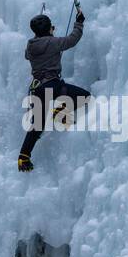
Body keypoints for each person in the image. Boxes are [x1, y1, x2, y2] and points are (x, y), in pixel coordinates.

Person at [18, 10, 89, 171]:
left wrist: (39, 37)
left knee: (37, 125)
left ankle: (23, 158)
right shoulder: (53, 42)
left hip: (38, 89)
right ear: (49, 29)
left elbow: (27, 56)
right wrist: (79, 23)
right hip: (53, 85)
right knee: (85, 97)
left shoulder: (30, 46)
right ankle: (59, 112)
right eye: (52, 27)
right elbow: (72, 40)